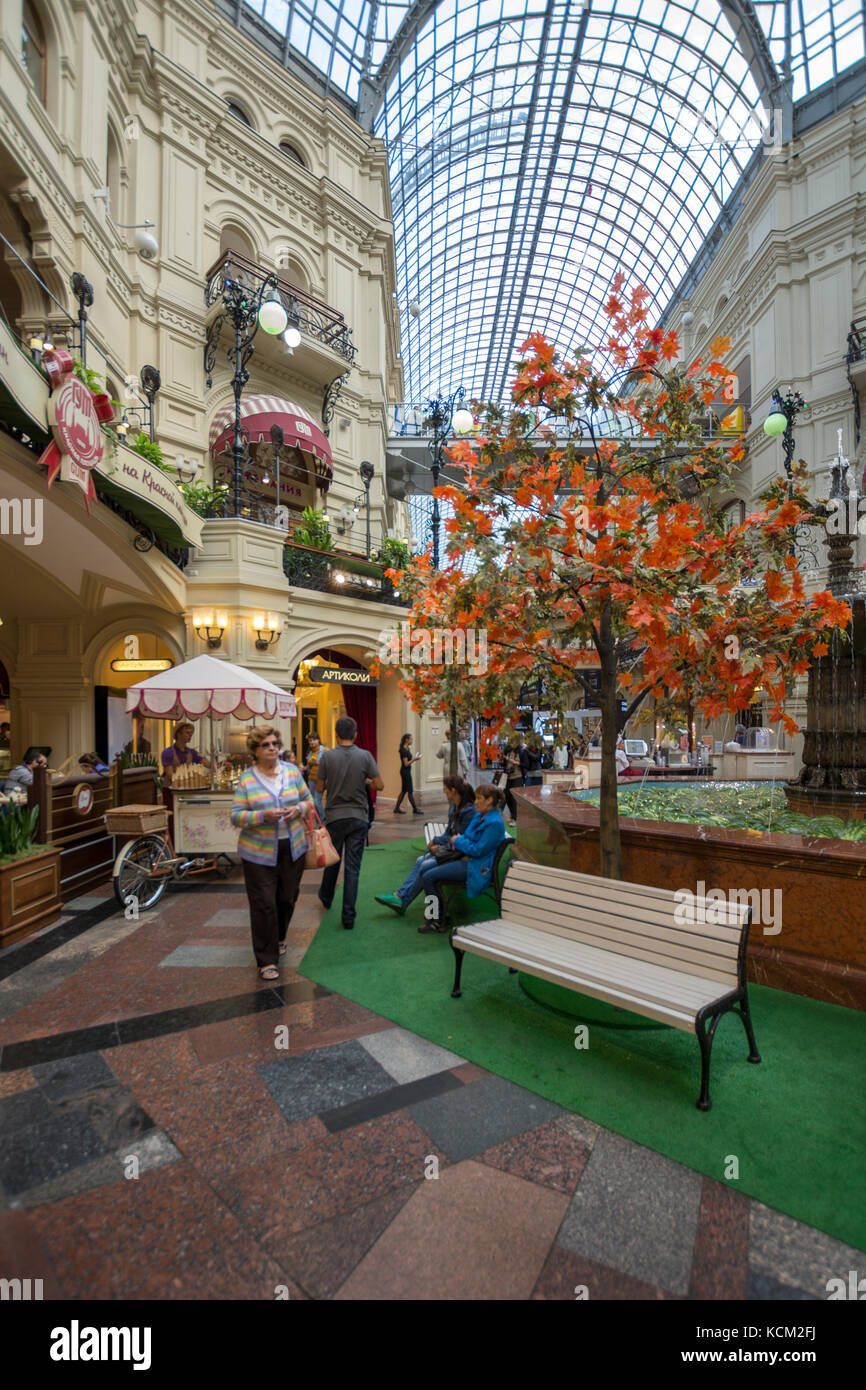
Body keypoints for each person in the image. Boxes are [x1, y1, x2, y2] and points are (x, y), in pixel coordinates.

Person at [230, 726, 313, 981]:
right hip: (257, 853)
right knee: (264, 903)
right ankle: (266, 959)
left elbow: (310, 801)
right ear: (255, 750)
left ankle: (278, 937)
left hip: (292, 848)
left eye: (275, 743)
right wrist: (261, 816)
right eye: (266, 744)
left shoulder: (292, 772)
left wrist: (298, 809)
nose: (272, 748)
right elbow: (236, 816)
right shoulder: (247, 779)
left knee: (287, 899)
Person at [374, 775, 476, 917]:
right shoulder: (455, 806)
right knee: (421, 862)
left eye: (445, 788)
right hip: (455, 852)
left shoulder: (471, 812)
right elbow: (452, 833)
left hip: (463, 858)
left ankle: (435, 915)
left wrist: (439, 842)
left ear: (453, 790)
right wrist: (439, 843)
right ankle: (401, 898)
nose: (444, 791)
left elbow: (463, 840)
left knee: (427, 870)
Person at [316, 715, 383, 929]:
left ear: (336, 734)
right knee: (353, 868)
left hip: (334, 817)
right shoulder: (365, 756)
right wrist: (364, 781)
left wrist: (332, 783)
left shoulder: (326, 757)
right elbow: (379, 785)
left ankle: (326, 897)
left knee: (332, 859)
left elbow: (318, 788)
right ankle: (348, 916)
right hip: (358, 818)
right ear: (355, 734)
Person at [419, 783, 507, 933]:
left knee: (428, 877)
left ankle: (438, 919)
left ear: (490, 800)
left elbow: (478, 850)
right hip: (465, 858)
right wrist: (462, 843)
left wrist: (458, 842)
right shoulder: (481, 815)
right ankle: (438, 914)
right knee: (425, 868)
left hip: (476, 867)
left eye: (479, 798)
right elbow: (468, 837)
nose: (475, 802)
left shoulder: (495, 824)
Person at [394, 732, 421, 814]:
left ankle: (396, 808)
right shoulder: (403, 750)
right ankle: (415, 809)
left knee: (404, 791)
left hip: (406, 771)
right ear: (406, 740)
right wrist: (414, 759)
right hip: (405, 772)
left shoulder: (407, 749)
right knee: (410, 791)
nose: (412, 740)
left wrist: (414, 758)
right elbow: (406, 764)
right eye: (411, 739)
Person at [302, 731, 327, 819]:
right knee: (313, 803)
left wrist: (318, 763)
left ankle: (323, 821)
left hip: (320, 780)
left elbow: (329, 764)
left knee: (317, 802)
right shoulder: (310, 752)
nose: (312, 742)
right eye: (310, 740)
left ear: (318, 740)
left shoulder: (325, 750)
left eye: (314, 740)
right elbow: (308, 766)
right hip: (311, 779)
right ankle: (318, 822)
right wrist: (302, 768)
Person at [502, 742, 523, 823]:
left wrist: (514, 762)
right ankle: (512, 814)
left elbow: (525, 764)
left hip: (517, 776)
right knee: (506, 796)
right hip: (508, 776)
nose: (510, 743)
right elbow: (505, 764)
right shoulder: (507, 751)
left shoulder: (520, 752)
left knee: (514, 797)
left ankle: (514, 817)